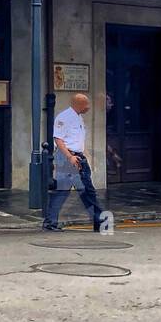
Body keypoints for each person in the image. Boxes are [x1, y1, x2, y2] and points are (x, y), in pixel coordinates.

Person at [43, 92, 105, 232]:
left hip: (77, 157)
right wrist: (70, 157)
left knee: (86, 190)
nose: (88, 107)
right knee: (65, 191)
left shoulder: (78, 118)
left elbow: (78, 141)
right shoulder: (64, 118)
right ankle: (50, 222)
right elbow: (58, 139)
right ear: (78, 104)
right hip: (67, 158)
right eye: (86, 104)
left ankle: (98, 221)